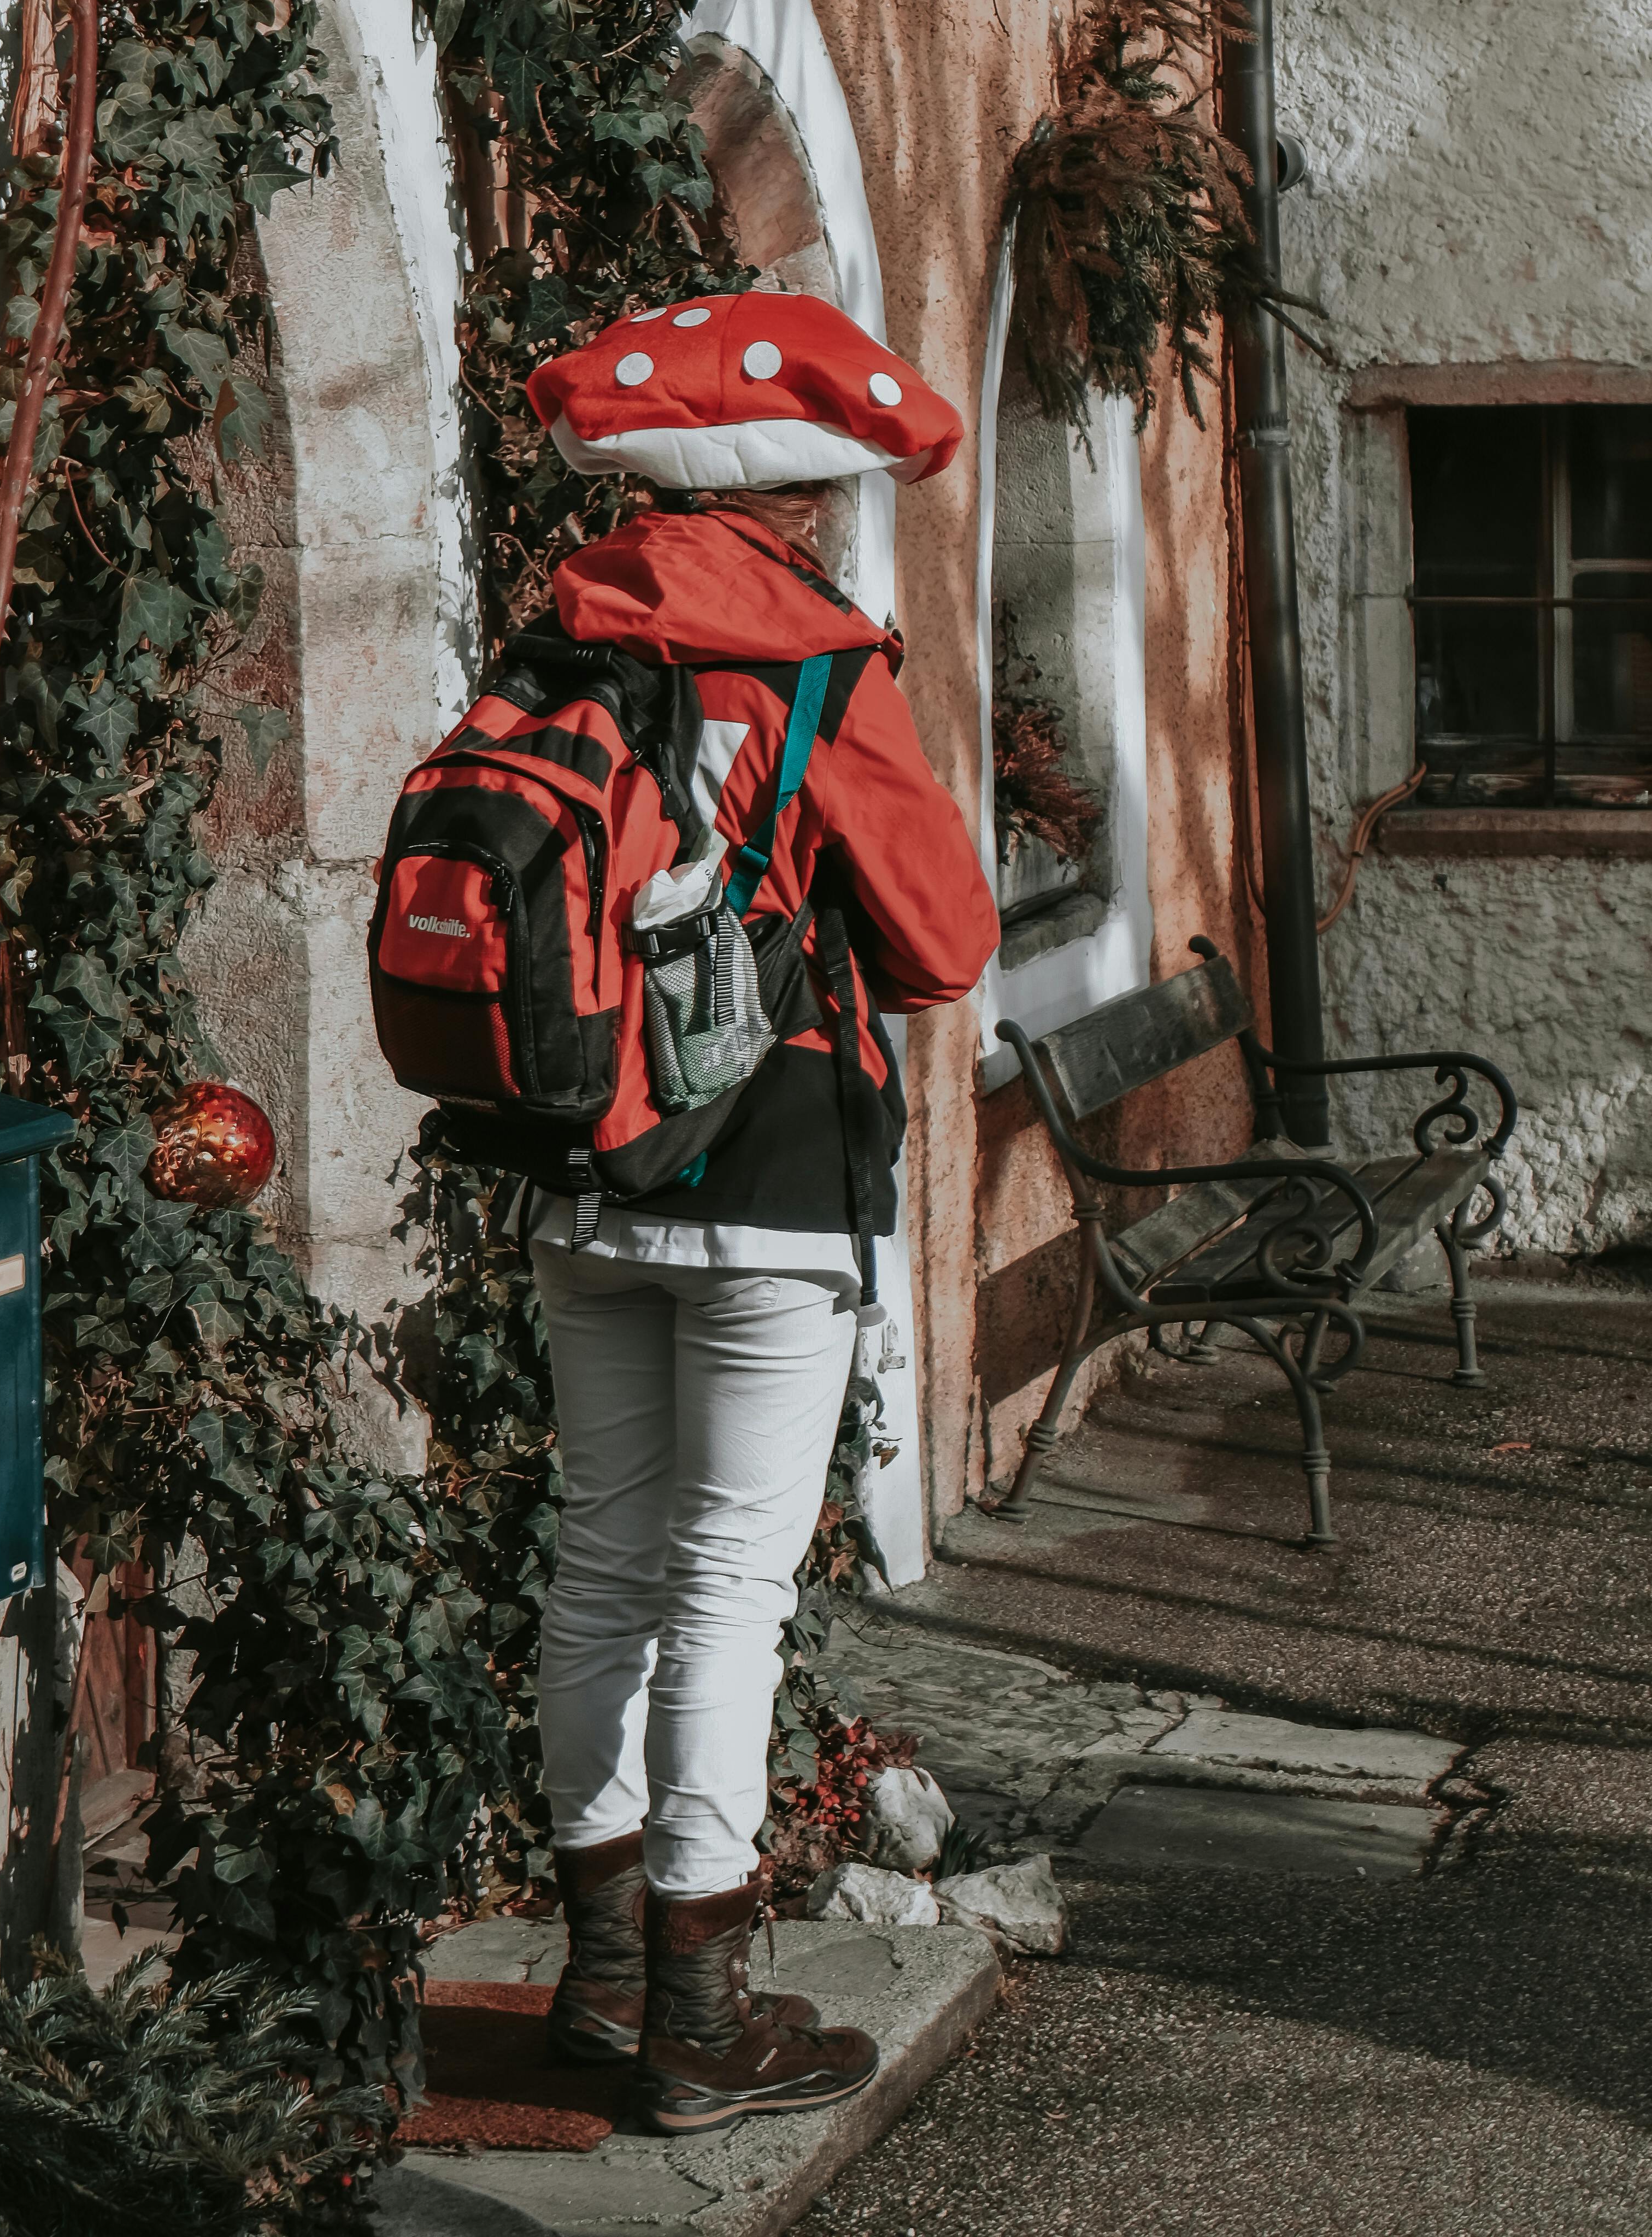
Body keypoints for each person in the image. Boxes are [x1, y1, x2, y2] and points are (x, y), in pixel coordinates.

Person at [516, 290, 1000, 2135]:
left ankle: (604, 1968)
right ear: (794, 500)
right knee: (728, 1583)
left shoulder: (559, 648)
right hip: (773, 1170)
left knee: (605, 1555)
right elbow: (947, 939)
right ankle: (705, 2017)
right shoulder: (812, 662)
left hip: (584, 1157)